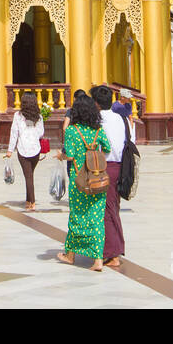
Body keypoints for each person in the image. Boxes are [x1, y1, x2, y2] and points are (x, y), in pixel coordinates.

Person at [55, 93, 111, 272]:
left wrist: (60, 156)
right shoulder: (98, 130)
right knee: (96, 220)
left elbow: (69, 154)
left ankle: (70, 255)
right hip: (97, 178)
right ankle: (98, 260)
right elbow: (108, 148)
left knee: (77, 217)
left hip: (79, 179)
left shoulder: (72, 130)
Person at [92, 86, 130, 270]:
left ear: (96, 103)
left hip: (106, 167)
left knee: (107, 210)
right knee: (113, 207)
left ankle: (113, 252)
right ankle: (113, 248)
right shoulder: (122, 119)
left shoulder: (98, 121)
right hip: (121, 166)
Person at [6, 90, 47, 211]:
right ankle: (28, 200)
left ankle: (32, 202)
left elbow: (14, 133)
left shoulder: (18, 116)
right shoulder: (38, 117)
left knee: (28, 176)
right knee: (29, 175)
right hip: (35, 149)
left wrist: (10, 150)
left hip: (23, 149)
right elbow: (41, 133)